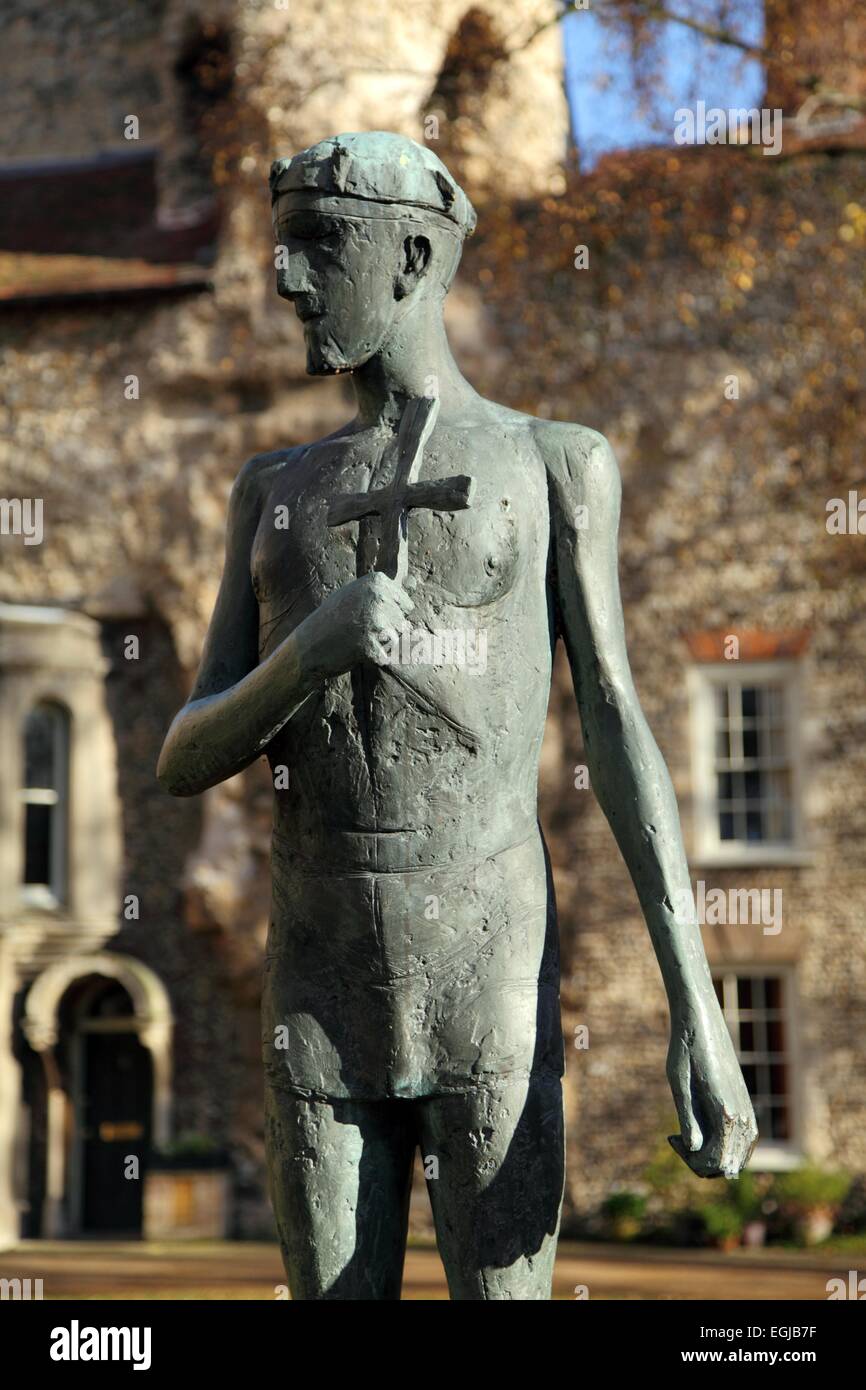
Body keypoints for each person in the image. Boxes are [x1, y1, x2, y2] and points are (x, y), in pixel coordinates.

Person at [158, 131, 756, 1300]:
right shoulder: (273, 492)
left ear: (414, 252)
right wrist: (305, 656)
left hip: (488, 969)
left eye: (319, 243)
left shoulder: (551, 465)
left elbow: (620, 729)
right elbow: (185, 753)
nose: (285, 279)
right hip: (318, 980)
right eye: (285, 247)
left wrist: (698, 1006)